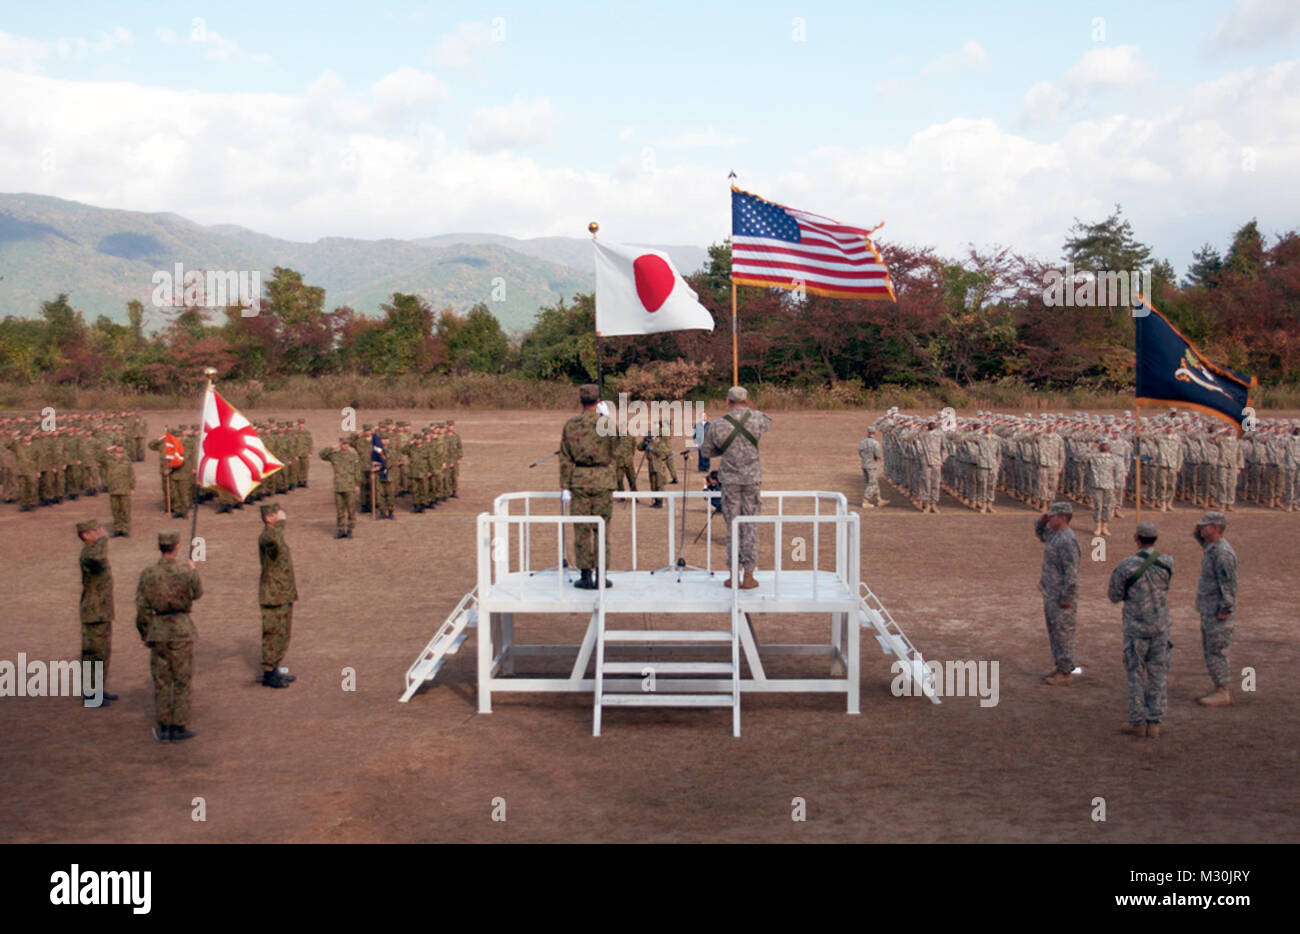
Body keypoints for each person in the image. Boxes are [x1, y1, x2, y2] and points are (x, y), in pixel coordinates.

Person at [699, 386, 772, 589]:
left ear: (727, 401)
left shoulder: (718, 425)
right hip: (752, 479)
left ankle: (733, 576)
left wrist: (724, 448)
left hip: (729, 481)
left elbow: (706, 452)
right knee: (750, 526)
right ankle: (749, 574)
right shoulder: (757, 418)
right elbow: (768, 422)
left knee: (733, 527)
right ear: (746, 400)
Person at [1107, 520, 1174, 738]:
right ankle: (1155, 722)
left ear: (1136, 539)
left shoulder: (1127, 566)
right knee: (1158, 675)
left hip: (1136, 628)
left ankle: (1138, 721)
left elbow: (1114, 595)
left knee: (1135, 675)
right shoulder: (1167, 562)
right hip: (1161, 626)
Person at [135, 530, 202, 741]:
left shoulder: (148, 574)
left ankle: (164, 725)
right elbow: (198, 593)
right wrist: (192, 571)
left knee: (162, 681)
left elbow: (142, 607)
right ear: (177, 547)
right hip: (181, 630)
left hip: (159, 631)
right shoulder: (185, 572)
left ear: (160, 547)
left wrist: (146, 633)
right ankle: (179, 725)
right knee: (181, 680)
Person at [560, 384, 618, 589]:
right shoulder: (607, 425)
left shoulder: (571, 425)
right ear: (598, 401)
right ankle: (602, 575)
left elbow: (565, 458)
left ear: (580, 401)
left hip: (580, 480)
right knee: (602, 529)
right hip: (603, 479)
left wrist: (565, 486)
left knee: (582, 530)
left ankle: (586, 575)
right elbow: (617, 450)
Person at [1193, 511, 1237, 707]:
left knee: (1217, 650)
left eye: (1206, 526)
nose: (1202, 528)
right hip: (1209, 607)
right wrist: (1197, 532)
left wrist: (1225, 608)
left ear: (1217, 528)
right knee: (1211, 649)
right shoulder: (1213, 548)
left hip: (1218, 611)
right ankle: (1219, 687)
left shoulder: (1223, 553)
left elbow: (1228, 584)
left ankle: (1222, 691)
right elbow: (1203, 543)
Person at [1035, 501, 1081, 685]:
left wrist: (1067, 597)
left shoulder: (1068, 540)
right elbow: (1040, 533)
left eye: (1052, 516)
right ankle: (1060, 666)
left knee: (1063, 632)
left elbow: (1072, 573)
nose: (1049, 518)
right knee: (1054, 631)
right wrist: (1041, 520)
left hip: (1062, 596)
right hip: (1051, 591)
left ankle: (1066, 672)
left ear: (1063, 518)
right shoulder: (1054, 534)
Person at [77, 518, 116, 706]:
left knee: (103, 652)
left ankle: (98, 688)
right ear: (85, 536)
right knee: (93, 654)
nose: (98, 533)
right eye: (94, 531)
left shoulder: (94, 550)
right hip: (93, 612)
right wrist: (104, 539)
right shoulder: (88, 554)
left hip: (102, 610)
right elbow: (98, 557)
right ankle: (91, 694)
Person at [258, 502, 298, 687]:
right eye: (275, 513)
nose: (280, 515)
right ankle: (268, 672)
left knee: (283, 632)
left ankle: (275, 666)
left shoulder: (274, 534)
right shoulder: (267, 536)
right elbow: (274, 542)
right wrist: (280, 523)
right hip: (272, 593)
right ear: (268, 518)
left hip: (283, 591)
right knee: (273, 633)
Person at [320, 438, 361, 537]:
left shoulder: (353, 456)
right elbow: (322, 455)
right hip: (338, 486)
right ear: (340, 445)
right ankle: (341, 530)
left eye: (346, 444)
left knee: (351, 510)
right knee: (340, 510)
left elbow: (357, 471)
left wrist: (357, 485)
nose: (345, 446)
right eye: (343, 444)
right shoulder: (334, 455)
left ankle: (350, 530)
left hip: (350, 486)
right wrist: (332, 447)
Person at [102, 443, 134, 536]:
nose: (119, 448)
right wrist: (108, 449)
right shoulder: (109, 459)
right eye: (117, 446)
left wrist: (132, 488)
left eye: (121, 446)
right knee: (115, 510)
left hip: (125, 488)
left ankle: (125, 529)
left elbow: (131, 474)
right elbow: (98, 457)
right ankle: (117, 529)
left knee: (125, 510)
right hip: (113, 488)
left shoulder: (127, 459)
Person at [857, 428, 886, 508]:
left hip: (864, 464)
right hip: (872, 466)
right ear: (874, 433)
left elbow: (860, 452)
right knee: (872, 483)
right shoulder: (875, 443)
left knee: (874, 482)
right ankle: (865, 500)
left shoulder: (862, 442)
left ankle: (879, 499)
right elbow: (878, 455)